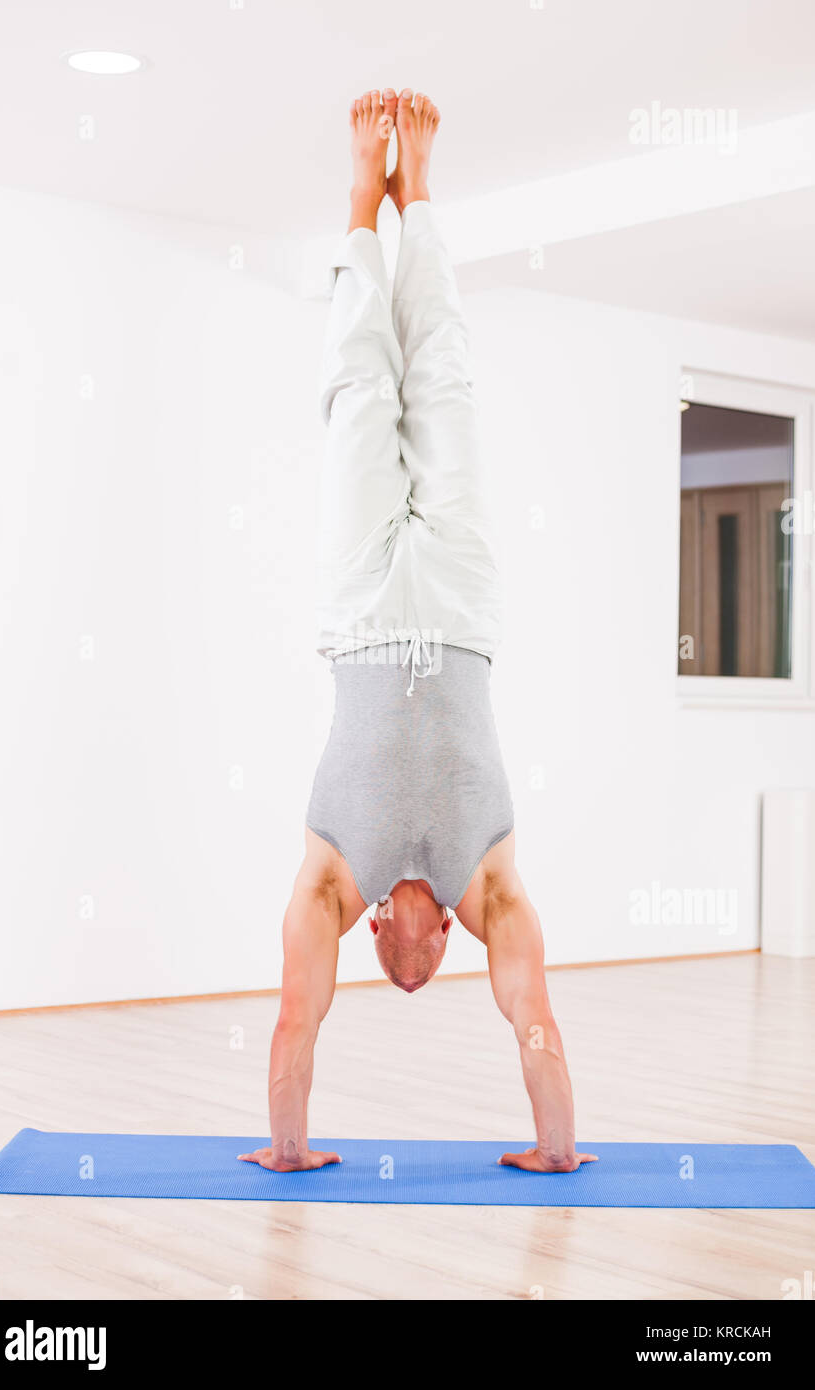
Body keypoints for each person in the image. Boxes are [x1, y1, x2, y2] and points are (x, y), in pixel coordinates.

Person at [240, 89, 596, 1178]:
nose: (408, 950)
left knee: (359, 391)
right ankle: (420, 191)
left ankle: (363, 201)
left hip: (356, 611)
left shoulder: (324, 886)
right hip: (458, 607)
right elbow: (533, 1018)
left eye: (388, 959)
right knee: (439, 377)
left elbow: (295, 1025)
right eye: (423, 957)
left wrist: (288, 1149)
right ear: (444, 934)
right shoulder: (488, 887)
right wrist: (557, 1149)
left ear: (373, 935)